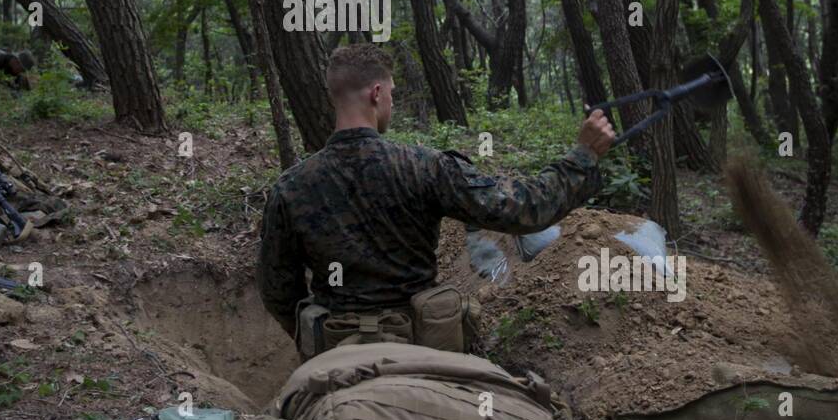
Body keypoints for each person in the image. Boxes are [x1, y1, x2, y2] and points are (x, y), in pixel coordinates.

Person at [257, 43, 615, 357]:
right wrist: (582, 157)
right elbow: (522, 210)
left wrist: (308, 333)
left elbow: (277, 289)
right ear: (377, 93)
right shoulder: (426, 167)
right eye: (393, 94)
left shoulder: (291, 187)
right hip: (420, 345)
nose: (392, 103)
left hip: (335, 349)